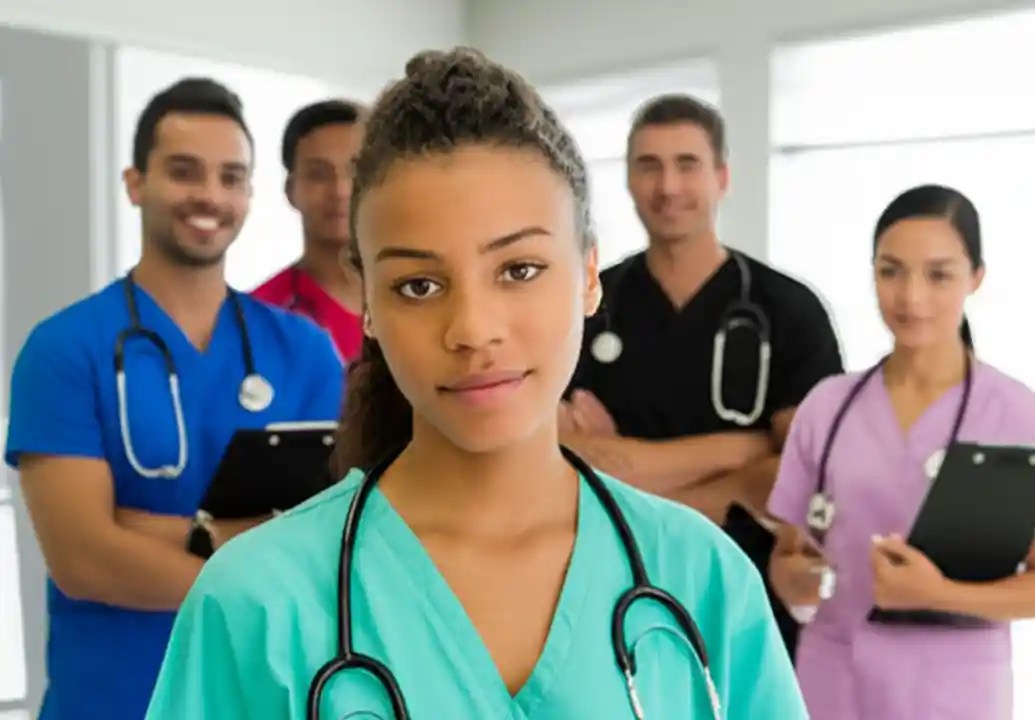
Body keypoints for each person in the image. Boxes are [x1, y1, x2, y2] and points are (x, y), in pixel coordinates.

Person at [143, 47, 806, 719]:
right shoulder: (257, 599)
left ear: (587, 275)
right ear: (369, 304)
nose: (472, 328)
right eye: (419, 285)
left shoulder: (704, 580)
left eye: (518, 269)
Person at [4, 78, 346, 720]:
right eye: (185, 172)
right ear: (137, 183)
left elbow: (325, 543)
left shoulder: (304, 350)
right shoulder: (64, 349)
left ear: (248, 192)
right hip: (112, 703)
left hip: (259, 699)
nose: (210, 196)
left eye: (230, 176)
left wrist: (145, 529)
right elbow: (84, 560)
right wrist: (243, 550)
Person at [767, 184, 1035, 720]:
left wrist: (940, 592)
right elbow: (788, 555)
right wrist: (797, 579)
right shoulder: (827, 407)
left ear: (976, 278)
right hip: (831, 681)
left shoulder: (1022, 417)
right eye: (890, 271)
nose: (910, 297)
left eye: (938, 275)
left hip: (952, 691)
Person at [561, 93, 843, 657]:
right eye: (649, 166)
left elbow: (804, 475)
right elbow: (567, 465)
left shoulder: (787, 309)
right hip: (618, 591)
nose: (668, 187)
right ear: (629, 181)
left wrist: (631, 467)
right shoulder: (586, 305)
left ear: (721, 177)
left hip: (750, 598)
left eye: (686, 164)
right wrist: (740, 467)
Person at [252, 99, 365, 363]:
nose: (340, 190)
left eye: (356, 172)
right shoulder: (259, 318)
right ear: (291, 190)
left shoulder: (418, 304)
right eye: (318, 174)